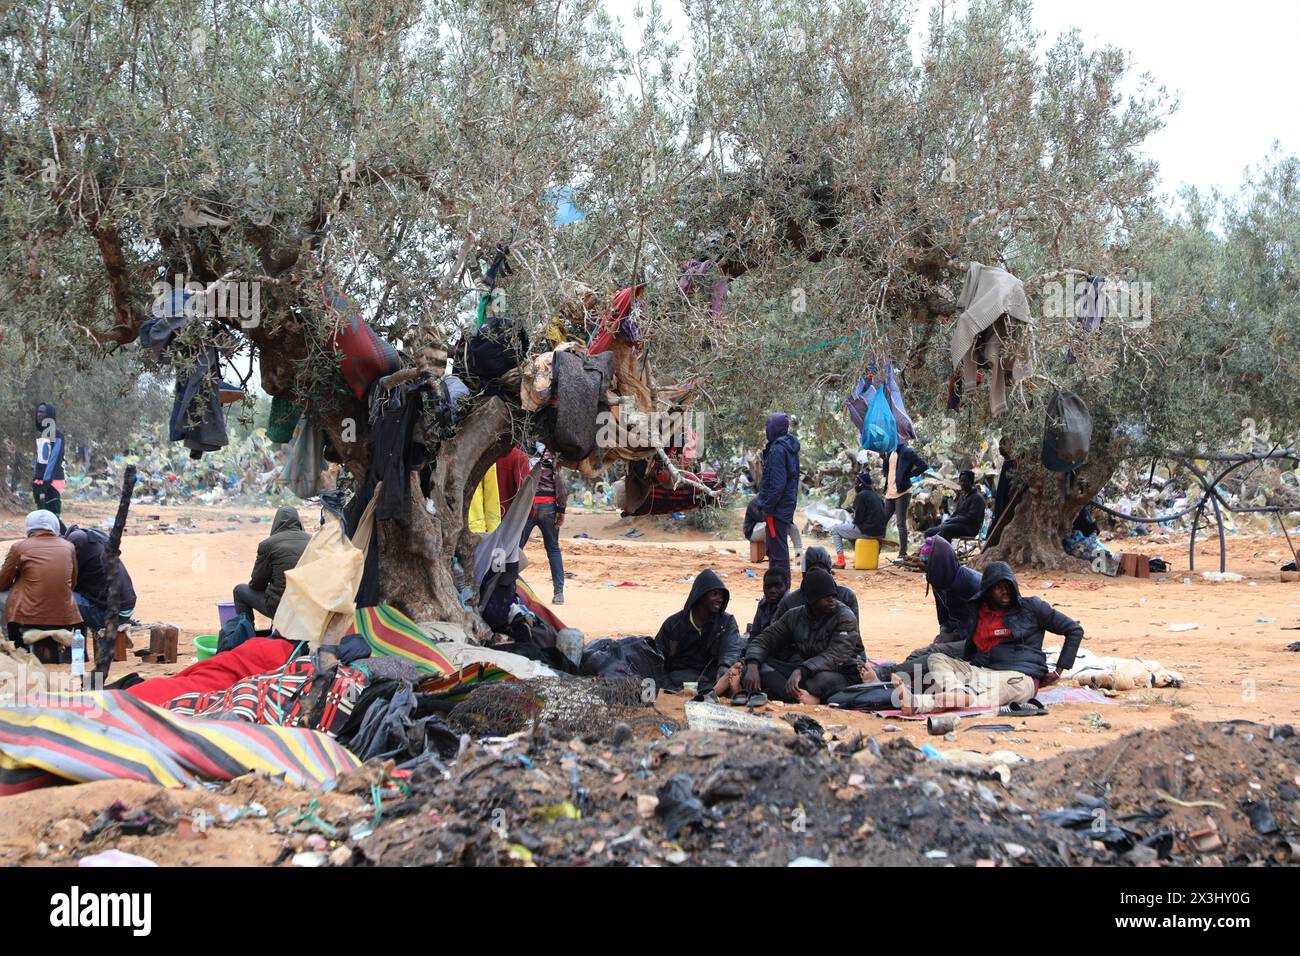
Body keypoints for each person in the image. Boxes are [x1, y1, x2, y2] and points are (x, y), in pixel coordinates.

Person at [895, 561, 1084, 715]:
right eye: (998, 587)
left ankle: (921, 703)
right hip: (983, 671)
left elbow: (1074, 630)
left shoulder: (1033, 607)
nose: (1004, 591)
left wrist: (1059, 671)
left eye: (1008, 586)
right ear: (987, 590)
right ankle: (957, 692)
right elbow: (969, 647)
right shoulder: (979, 612)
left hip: (1018, 677)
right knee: (937, 658)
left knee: (981, 698)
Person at [740, 567, 869, 705]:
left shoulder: (845, 617)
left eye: (833, 595)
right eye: (826, 596)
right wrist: (753, 663)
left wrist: (802, 670)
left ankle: (785, 693)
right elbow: (764, 639)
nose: (832, 600)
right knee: (754, 666)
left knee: (820, 681)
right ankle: (797, 695)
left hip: (843, 672)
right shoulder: (794, 615)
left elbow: (835, 655)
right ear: (812, 598)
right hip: (805, 669)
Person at [875, 535, 980, 683]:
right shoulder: (939, 583)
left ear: (940, 564)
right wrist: (944, 635)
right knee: (917, 654)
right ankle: (899, 679)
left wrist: (956, 638)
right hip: (959, 637)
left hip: (978, 642)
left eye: (927, 567)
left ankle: (886, 675)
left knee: (934, 655)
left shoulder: (973, 583)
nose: (926, 573)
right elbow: (944, 620)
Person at [0, 511, 82, 662]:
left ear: (29, 527)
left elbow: (2, 582)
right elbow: (73, 581)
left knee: (1, 598)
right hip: (64, 615)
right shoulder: (69, 547)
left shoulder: (19, 547)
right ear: (54, 526)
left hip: (28, 616)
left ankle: (10, 646)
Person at [652, 569, 742, 690]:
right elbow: (657, 656)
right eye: (714, 594)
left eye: (722, 595)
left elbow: (731, 649)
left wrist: (724, 667)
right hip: (682, 675)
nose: (720, 599)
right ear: (700, 596)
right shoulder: (674, 624)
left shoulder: (726, 621)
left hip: (714, 672)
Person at [233, 506, 309, 621]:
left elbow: (257, 584)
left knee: (239, 591)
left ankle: (247, 633)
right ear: (298, 522)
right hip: (309, 607)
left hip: (280, 608)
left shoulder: (268, 544)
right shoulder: (312, 541)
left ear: (276, 522)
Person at [64, 524, 137, 634]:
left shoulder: (75, 541)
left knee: (59, 598)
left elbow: (67, 580)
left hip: (111, 615)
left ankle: (66, 647)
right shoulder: (91, 535)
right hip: (123, 609)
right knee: (75, 597)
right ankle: (77, 648)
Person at [753, 412, 800, 583]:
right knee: (776, 549)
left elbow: (778, 484)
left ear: (775, 428)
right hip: (784, 506)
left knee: (777, 553)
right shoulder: (788, 447)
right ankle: (779, 589)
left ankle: (780, 592)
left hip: (777, 509)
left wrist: (767, 506)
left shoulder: (778, 450)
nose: (766, 429)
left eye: (768, 425)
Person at [520, 448, 567, 604]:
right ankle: (558, 593)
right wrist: (561, 509)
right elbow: (560, 483)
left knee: (515, 549)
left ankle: (511, 586)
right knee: (553, 549)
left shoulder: (522, 451)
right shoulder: (553, 454)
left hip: (527, 506)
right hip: (549, 507)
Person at [831, 452, 887, 567]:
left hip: (868, 531)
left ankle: (841, 561)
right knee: (851, 529)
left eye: (857, 482)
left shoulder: (861, 496)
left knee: (836, 529)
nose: (855, 485)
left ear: (860, 484)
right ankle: (861, 557)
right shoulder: (877, 496)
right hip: (880, 532)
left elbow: (858, 519)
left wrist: (851, 516)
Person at [775, 546, 859, 621]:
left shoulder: (846, 597)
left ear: (829, 572)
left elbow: (853, 635)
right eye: (813, 569)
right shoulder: (788, 603)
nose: (818, 574)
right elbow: (775, 635)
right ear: (804, 574)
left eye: (821, 568)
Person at [882, 442, 928, 558]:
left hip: (902, 492)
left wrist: (908, 475)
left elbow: (923, 465)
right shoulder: (889, 452)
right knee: (882, 521)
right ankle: (876, 548)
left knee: (900, 523)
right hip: (889, 492)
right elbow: (888, 471)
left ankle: (902, 553)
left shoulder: (907, 451)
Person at [923, 469, 986, 542]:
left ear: (971, 482)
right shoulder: (962, 496)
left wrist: (951, 520)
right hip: (957, 524)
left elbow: (970, 518)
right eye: (961, 481)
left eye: (965, 481)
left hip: (970, 528)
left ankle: (946, 552)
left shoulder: (977, 498)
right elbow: (957, 513)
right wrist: (947, 521)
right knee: (929, 532)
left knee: (946, 529)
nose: (962, 483)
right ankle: (932, 551)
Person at [32, 401, 66, 515]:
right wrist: (36, 479)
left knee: (52, 516)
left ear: (49, 415)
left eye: (42, 412)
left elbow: (54, 460)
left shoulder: (57, 436)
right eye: (38, 412)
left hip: (52, 482)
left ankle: (62, 533)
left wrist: (46, 483)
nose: (39, 415)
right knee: (42, 517)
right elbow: (38, 459)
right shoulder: (41, 435)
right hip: (40, 482)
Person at [746, 568, 790, 642]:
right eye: (768, 586)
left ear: (787, 586)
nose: (772, 591)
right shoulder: (763, 604)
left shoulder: (791, 605)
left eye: (777, 586)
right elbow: (754, 634)